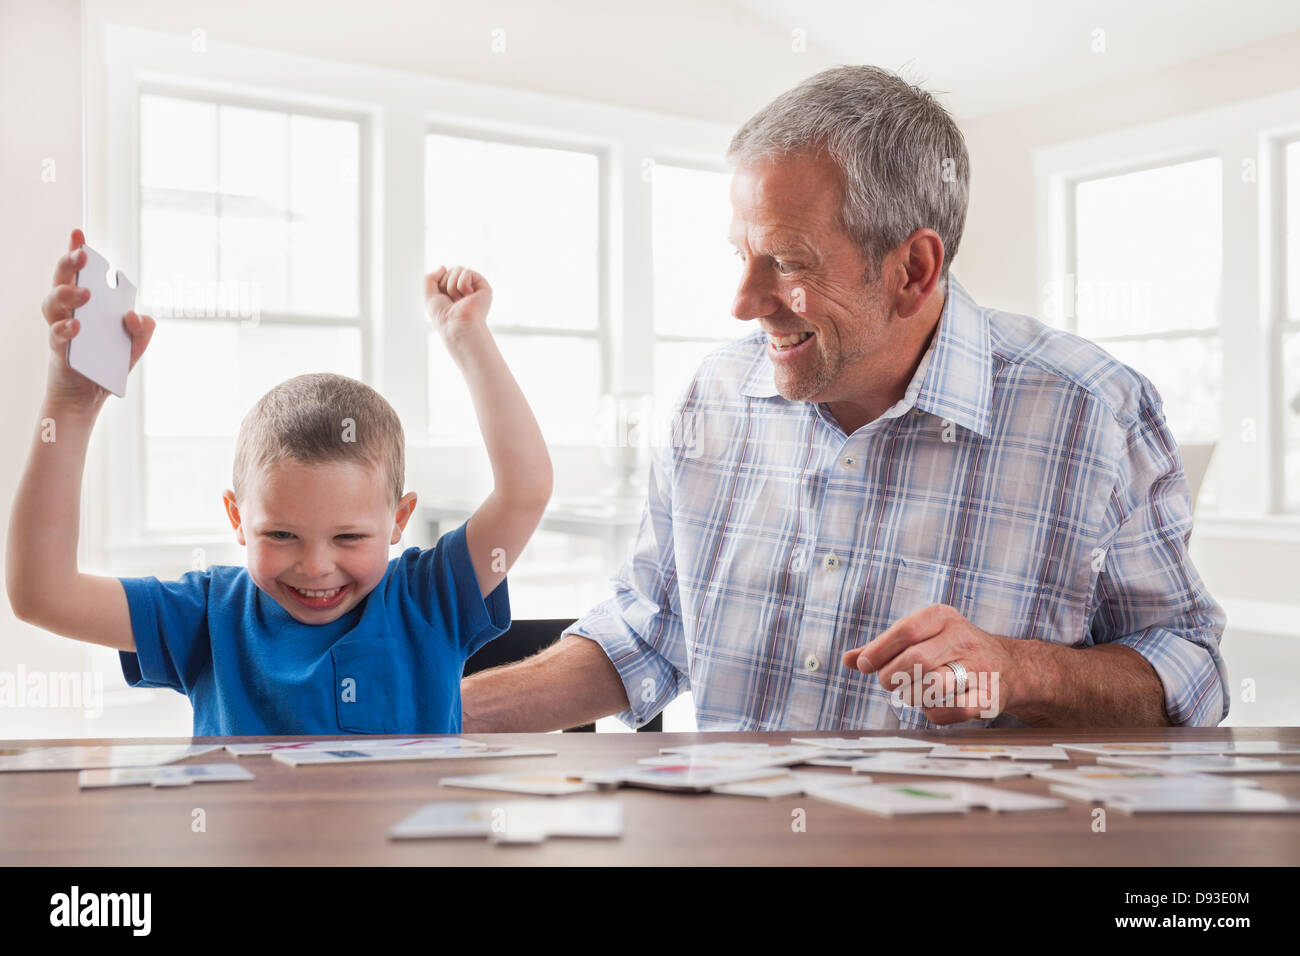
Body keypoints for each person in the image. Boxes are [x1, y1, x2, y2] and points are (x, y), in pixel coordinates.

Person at [461, 65, 1228, 732]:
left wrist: (1022, 671)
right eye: (741, 255)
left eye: (786, 261)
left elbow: (1190, 671)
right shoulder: (713, 400)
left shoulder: (1095, 413)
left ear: (913, 269)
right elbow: (651, 634)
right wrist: (432, 712)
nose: (743, 301)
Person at [6, 234, 552, 735]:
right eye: (281, 535)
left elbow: (525, 490)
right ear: (237, 518)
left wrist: (467, 339)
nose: (315, 567)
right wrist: (71, 407)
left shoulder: (433, 597)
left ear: (399, 521)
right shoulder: (206, 613)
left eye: (348, 538)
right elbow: (42, 595)